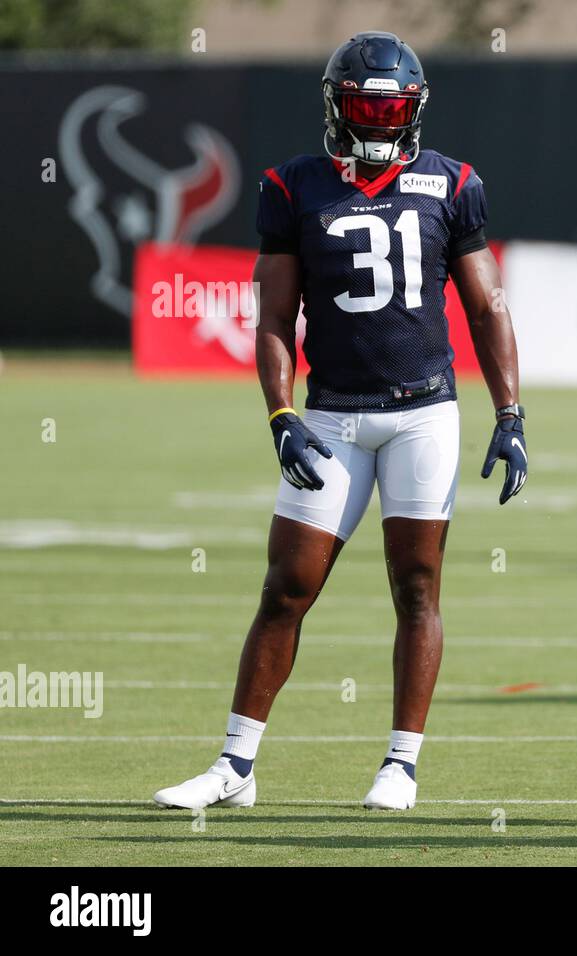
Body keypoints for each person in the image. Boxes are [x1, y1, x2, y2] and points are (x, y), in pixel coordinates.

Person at [154, 31, 527, 812]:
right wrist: (281, 414)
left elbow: (488, 305)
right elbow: (273, 319)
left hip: (424, 413)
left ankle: (401, 766)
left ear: (414, 110)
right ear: (335, 107)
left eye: (392, 107)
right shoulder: (291, 188)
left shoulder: (454, 183)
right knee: (287, 586)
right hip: (332, 415)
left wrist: (511, 411)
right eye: (365, 105)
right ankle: (235, 767)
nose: (380, 120)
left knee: (417, 587)